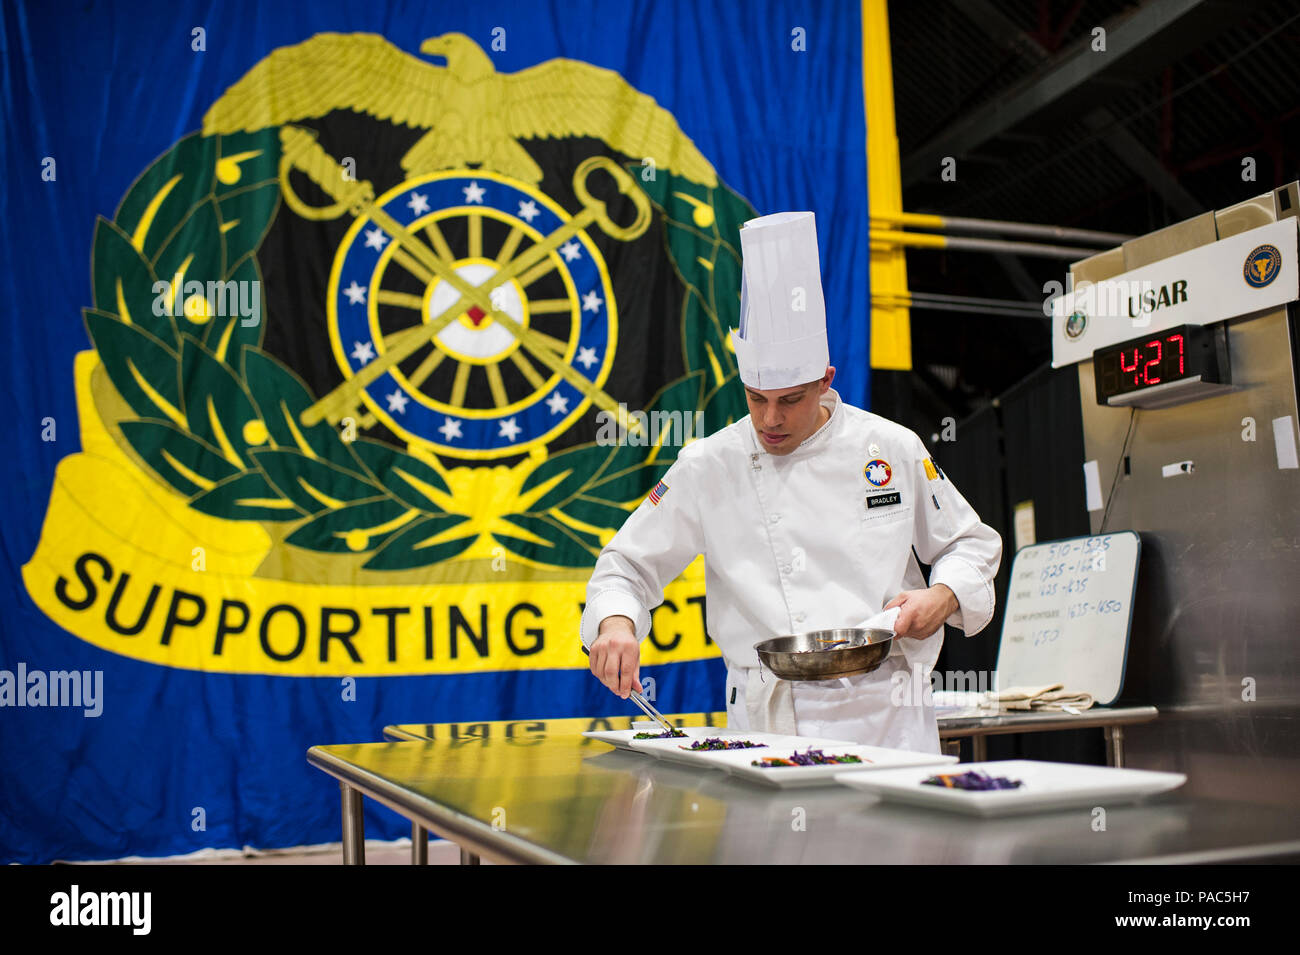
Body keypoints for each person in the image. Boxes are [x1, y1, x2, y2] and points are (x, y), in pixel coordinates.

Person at [580, 211, 1001, 752]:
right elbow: (625, 567)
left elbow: (970, 543)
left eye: (790, 400)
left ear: (825, 381)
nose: (769, 420)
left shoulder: (890, 447)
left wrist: (943, 596)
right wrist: (616, 624)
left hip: (886, 715)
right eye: (756, 398)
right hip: (766, 718)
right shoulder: (710, 463)